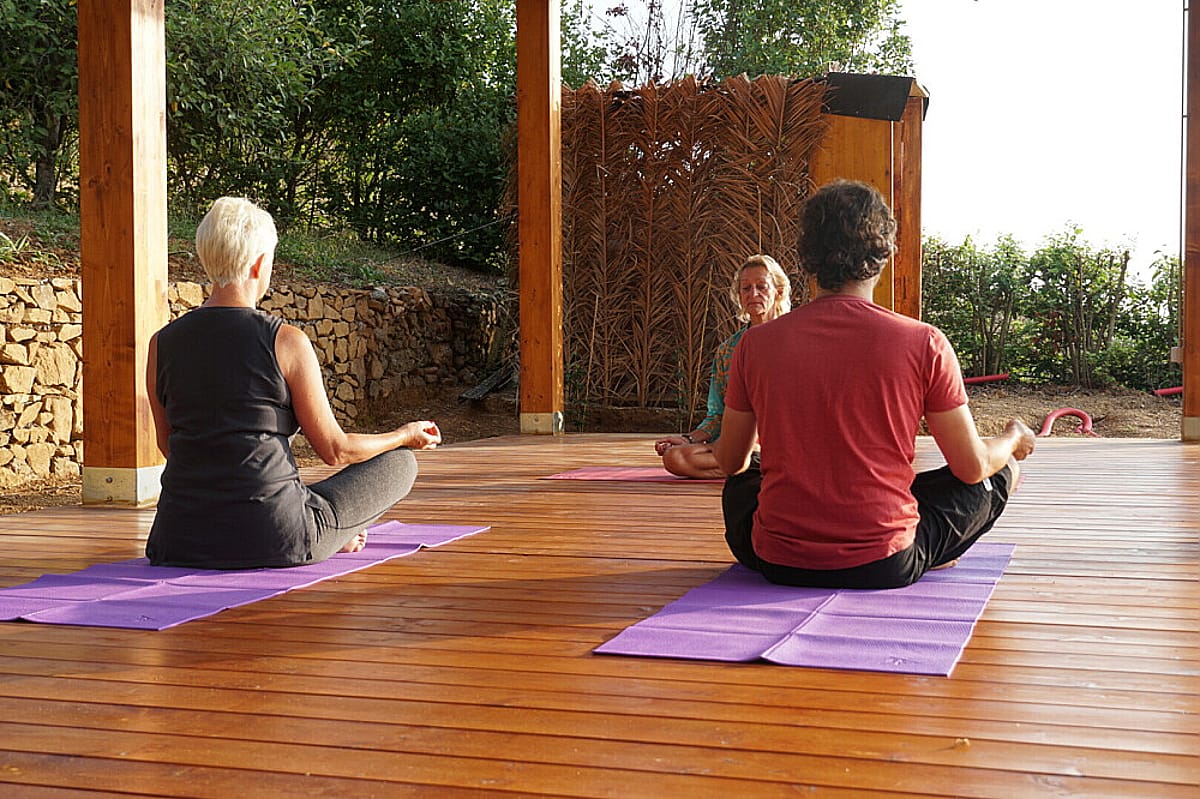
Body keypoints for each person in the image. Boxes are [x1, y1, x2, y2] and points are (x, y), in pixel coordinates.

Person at [714, 180, 1036, 588]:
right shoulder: (925, 343)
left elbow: (731, 463)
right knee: (997, 470)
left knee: (744, 480)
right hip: (884, 563)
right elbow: (971, 468)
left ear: (807, 257)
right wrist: (1011, 437)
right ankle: (935, 546)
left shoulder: (754, 344)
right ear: (884, 253)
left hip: (777, 559)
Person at [145, 197, 442, 569]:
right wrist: (406, 435)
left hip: (178, 539)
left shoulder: (162, 343)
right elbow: (337, 450)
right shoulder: (286, 341)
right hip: (275, 536)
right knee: (399, 464)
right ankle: (335, 532)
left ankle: (332, 527)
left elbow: (168, 444)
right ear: (260, 264)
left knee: (296, 492)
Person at [654, 254, 791, 479]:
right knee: (674, 457)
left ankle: (750, 464)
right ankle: (754, 464)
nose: (753, 294)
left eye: (761, 287)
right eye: (746, 288)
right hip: (740, 446)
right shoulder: (728, 350)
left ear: (778, 291)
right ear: (739, 296)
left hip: (786, 441)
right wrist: (688, 439)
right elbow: (718, 415)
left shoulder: (795, 338)